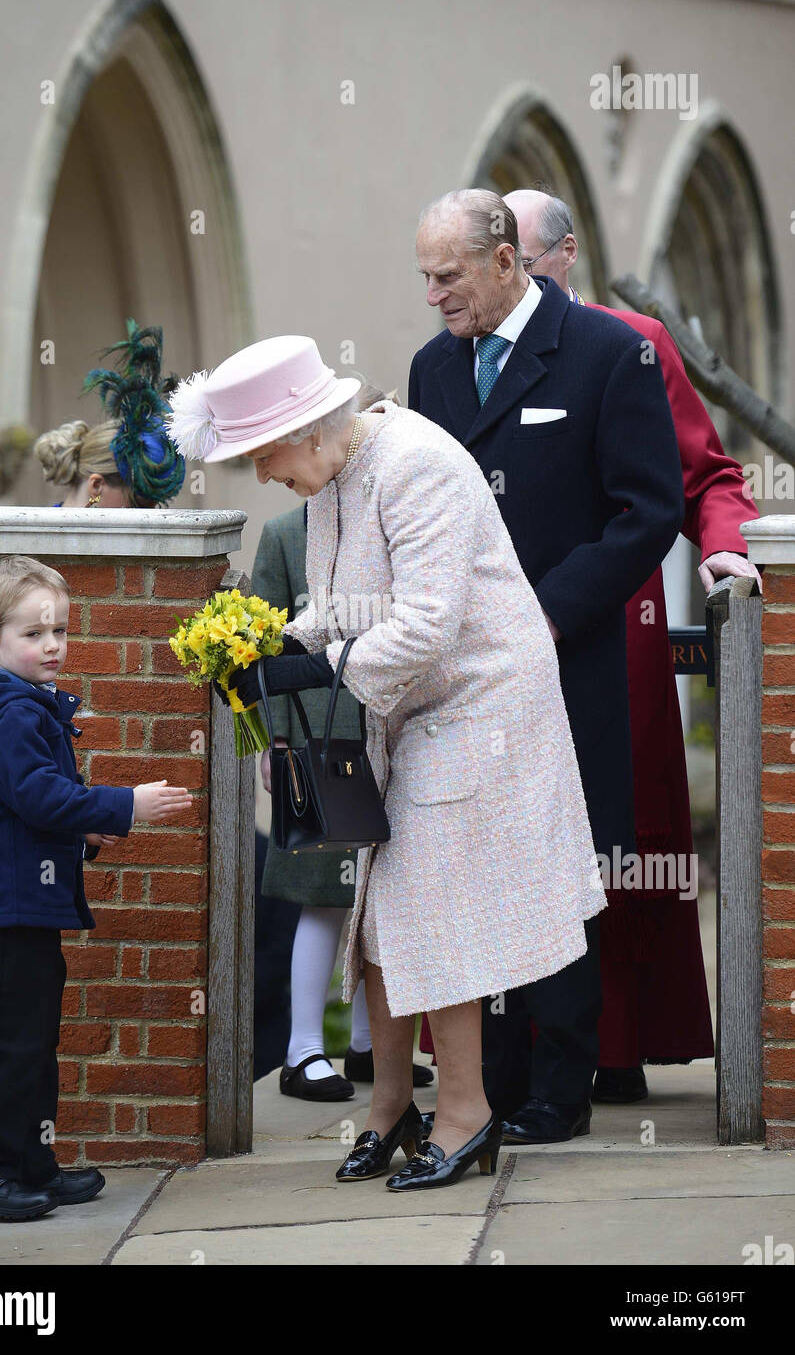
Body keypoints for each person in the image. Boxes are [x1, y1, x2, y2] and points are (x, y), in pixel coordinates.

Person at [167, 333, 604, 1191]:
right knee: (373, 906)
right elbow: (337, 611)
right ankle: (392, 1106)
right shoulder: (336, 472)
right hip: (407, 705)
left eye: (262, 455)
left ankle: (466, 1115)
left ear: (309, 429)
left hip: (480, 704)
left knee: (431, 906)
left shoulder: (418, 465)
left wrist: (305, 668)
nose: (262, 476)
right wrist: (261, 650)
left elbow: (427, 625)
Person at [408, 189, 684, 1145]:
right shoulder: (430, 369)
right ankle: (486, 1088)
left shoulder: (609, 353)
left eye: (448, 277)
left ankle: (557, 1091)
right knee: (472, 865)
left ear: (503, 260)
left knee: (557, 869)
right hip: (458, 679)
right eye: (425, 278)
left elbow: (648, 511)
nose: (435, 296)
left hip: (566, 665)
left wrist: (541, 614)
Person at [502, 188, 760, 1102]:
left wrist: (726, 548)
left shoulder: (631, 344)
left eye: (521, 264)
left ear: (562, 257)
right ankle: (501, 1057)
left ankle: (614, 1043)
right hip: (494, 648)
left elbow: (705, 477)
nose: (506, 286)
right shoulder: (459, 354)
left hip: (614, 630)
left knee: (620, 835)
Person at [0, 555, 191, 1221]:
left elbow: (23, 811)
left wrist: (84, 836)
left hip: (23, 898)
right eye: (33, 634)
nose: (52, 646)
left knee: (31, 1037)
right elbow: (40, 796)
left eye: (60, 631)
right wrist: (121, 805)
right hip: (8, 905)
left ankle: (30, 1163)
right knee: (9, 1041)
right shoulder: (9, 714)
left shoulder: (19, 705)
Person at [252, 477, 434, 1100]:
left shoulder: (398, 524)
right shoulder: (282, 534)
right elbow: (263, 651)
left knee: (386, 894)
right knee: (323, 892)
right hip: (312, 735)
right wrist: (275, 742)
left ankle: (368, 1048)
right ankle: (302, 1050)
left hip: (393, 731)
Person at [34, 320, 186, 509]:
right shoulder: (33, 538)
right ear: (96, 486)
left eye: (153, 507)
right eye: (137, 506)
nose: (149, 519)